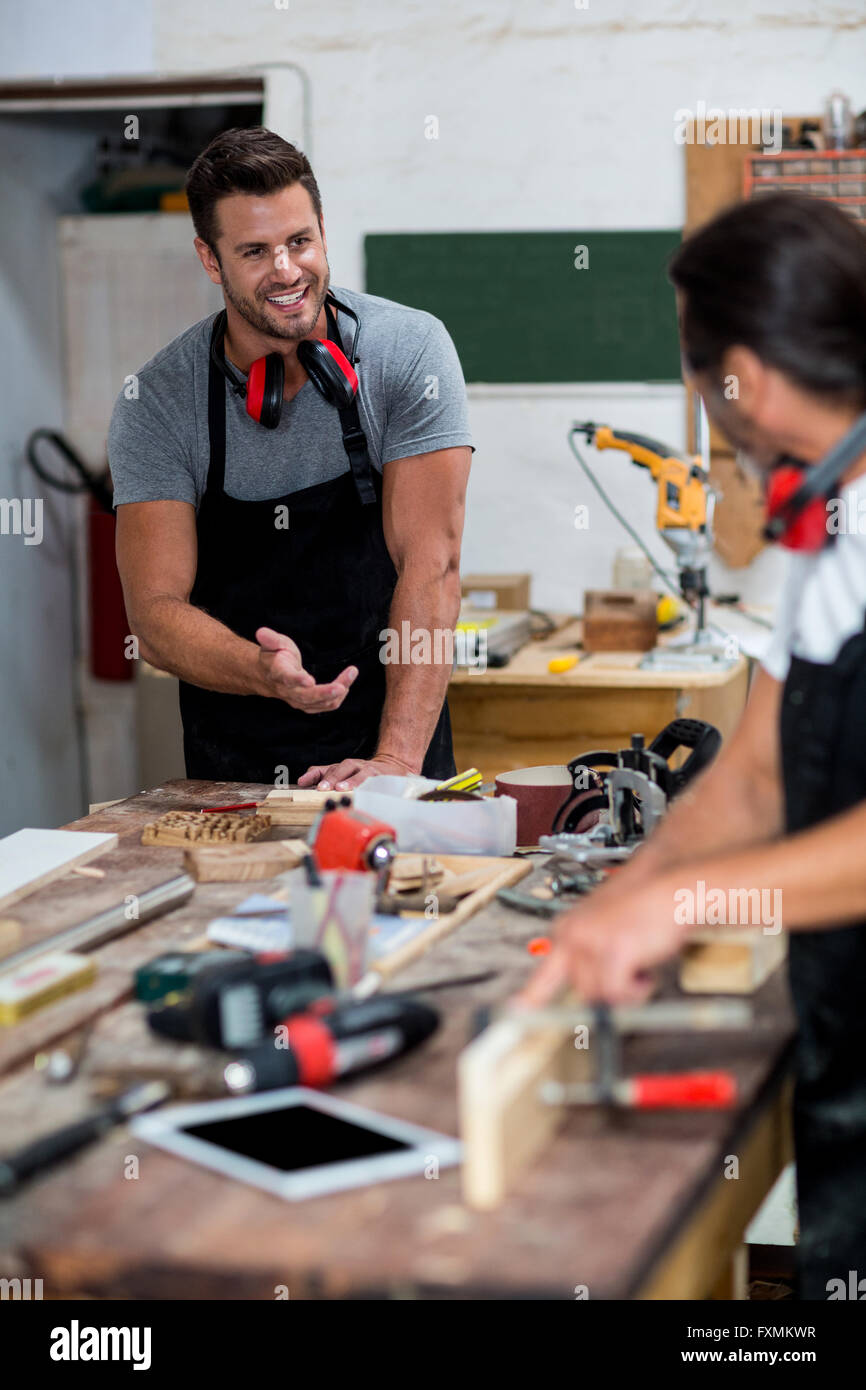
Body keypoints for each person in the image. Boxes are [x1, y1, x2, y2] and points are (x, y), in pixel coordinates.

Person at [521, 192, 866, 1300]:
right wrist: (623, 898)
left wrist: (682, 904)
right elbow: (756, 774)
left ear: (744, 379)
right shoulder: (824, 524)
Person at [110, 126, 472, 789]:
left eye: (299, 241)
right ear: (210, 259)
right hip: (235, 774)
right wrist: (261, 671)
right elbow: (154, 615)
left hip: (393, 754)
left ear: (323, 232)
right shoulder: (159, 401)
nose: (285, 271)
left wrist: (394, 765)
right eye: (254, 251)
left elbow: (434, 566)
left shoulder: (409, 353)